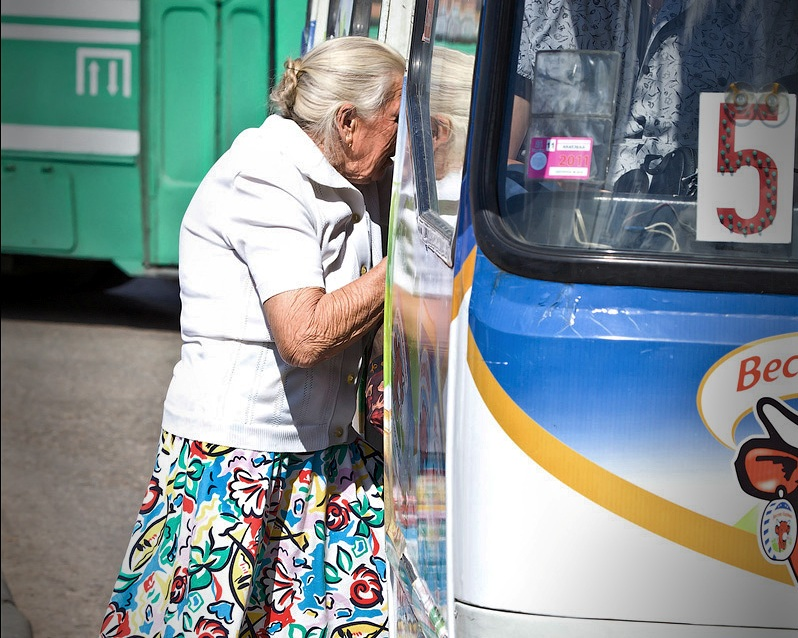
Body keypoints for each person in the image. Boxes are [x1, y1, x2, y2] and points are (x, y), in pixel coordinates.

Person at [99, 35, 405, 638]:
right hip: (239, 460)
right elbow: (306, 335)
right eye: (398, 121)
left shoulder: (357, 174)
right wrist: (405, 267)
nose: (405, 143)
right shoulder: (264, 177)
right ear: (347, 122)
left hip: (324, 451)